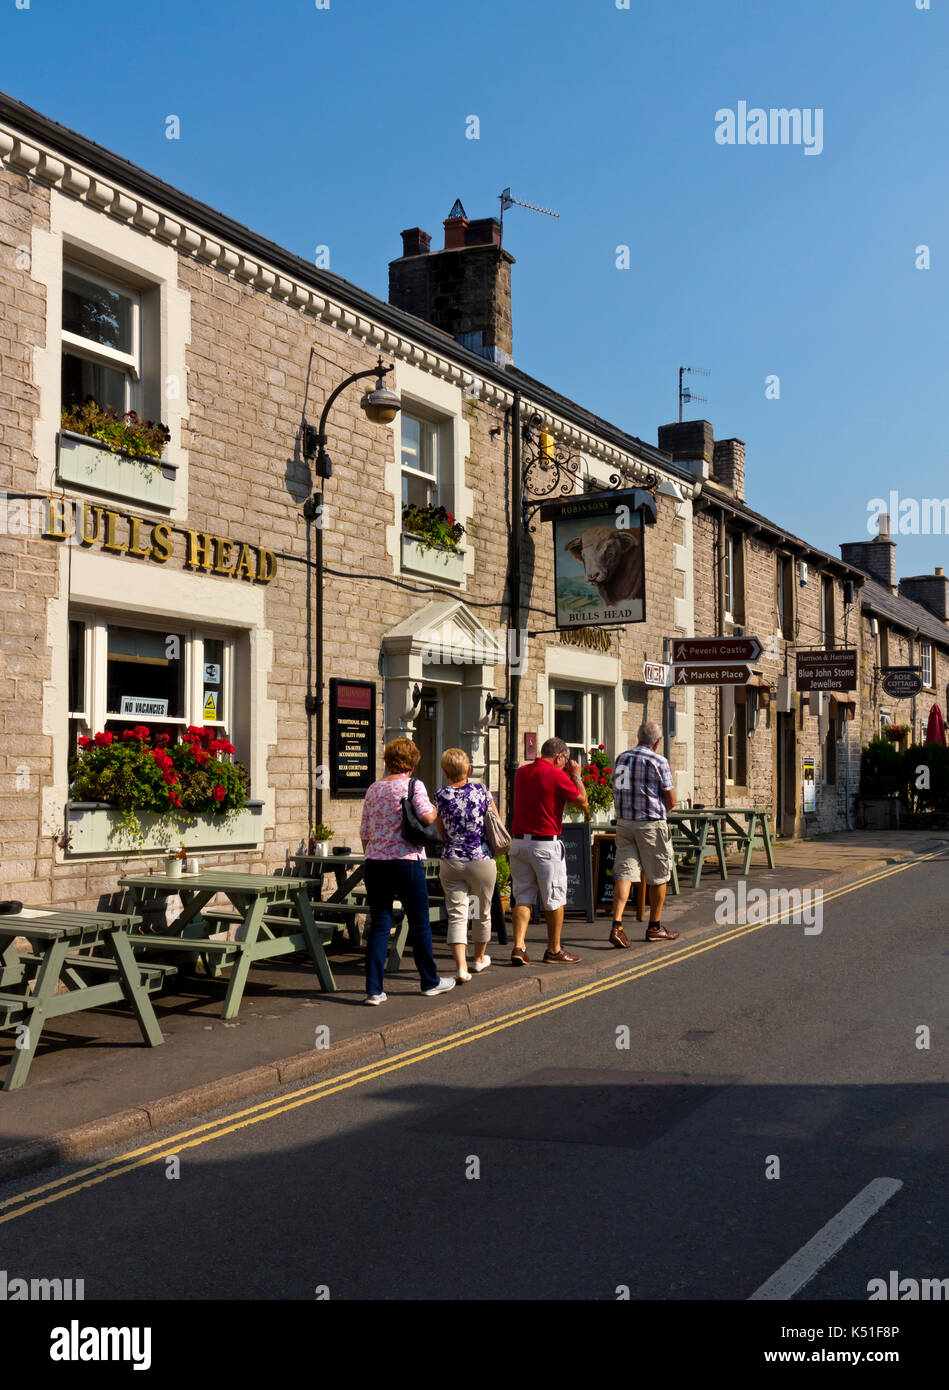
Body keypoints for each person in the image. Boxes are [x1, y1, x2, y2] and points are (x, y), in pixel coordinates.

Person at [358, 736, 456, 1005]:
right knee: (419, 922)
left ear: (388, 761)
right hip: (406, 861)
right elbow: (426, 817)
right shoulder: (414, 785)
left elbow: (365, 833)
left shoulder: (373, 789)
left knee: (380, 924)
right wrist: (437, 810)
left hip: (376, 864)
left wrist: (376, 850)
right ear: (411, 763)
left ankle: (374, 991)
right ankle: (429, 982)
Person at [509, 736, 588, 965]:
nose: (566, 763)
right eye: (565, 760)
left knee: (522, 896)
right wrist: (576, 776)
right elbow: (582, 802)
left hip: (519, 842)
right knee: (554, 898)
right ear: (559, 757)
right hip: (545, 844)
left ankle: (519, 947)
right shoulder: (557, 774)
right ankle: (554, 950)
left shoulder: (522, 773)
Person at [608, 720, 680, 944]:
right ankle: (654, 926)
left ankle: (617, 925)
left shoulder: (622, 758)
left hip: (624, 823)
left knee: (624, 873)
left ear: (638, 738)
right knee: (659, 876)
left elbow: (616, 788)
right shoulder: (659, 761)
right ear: (657, 742)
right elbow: (671, 800)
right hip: (650, 824)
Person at [434, 749, 498, 983]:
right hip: (480, 859)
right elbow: (496, 821)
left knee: (457, 914)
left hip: (452, 860)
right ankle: (479, 959)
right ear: (468, 770)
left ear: (445, 772)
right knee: (482, 910)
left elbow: (440, 831)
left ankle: (461, 967)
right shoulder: (481, 791)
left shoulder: (441, 795)